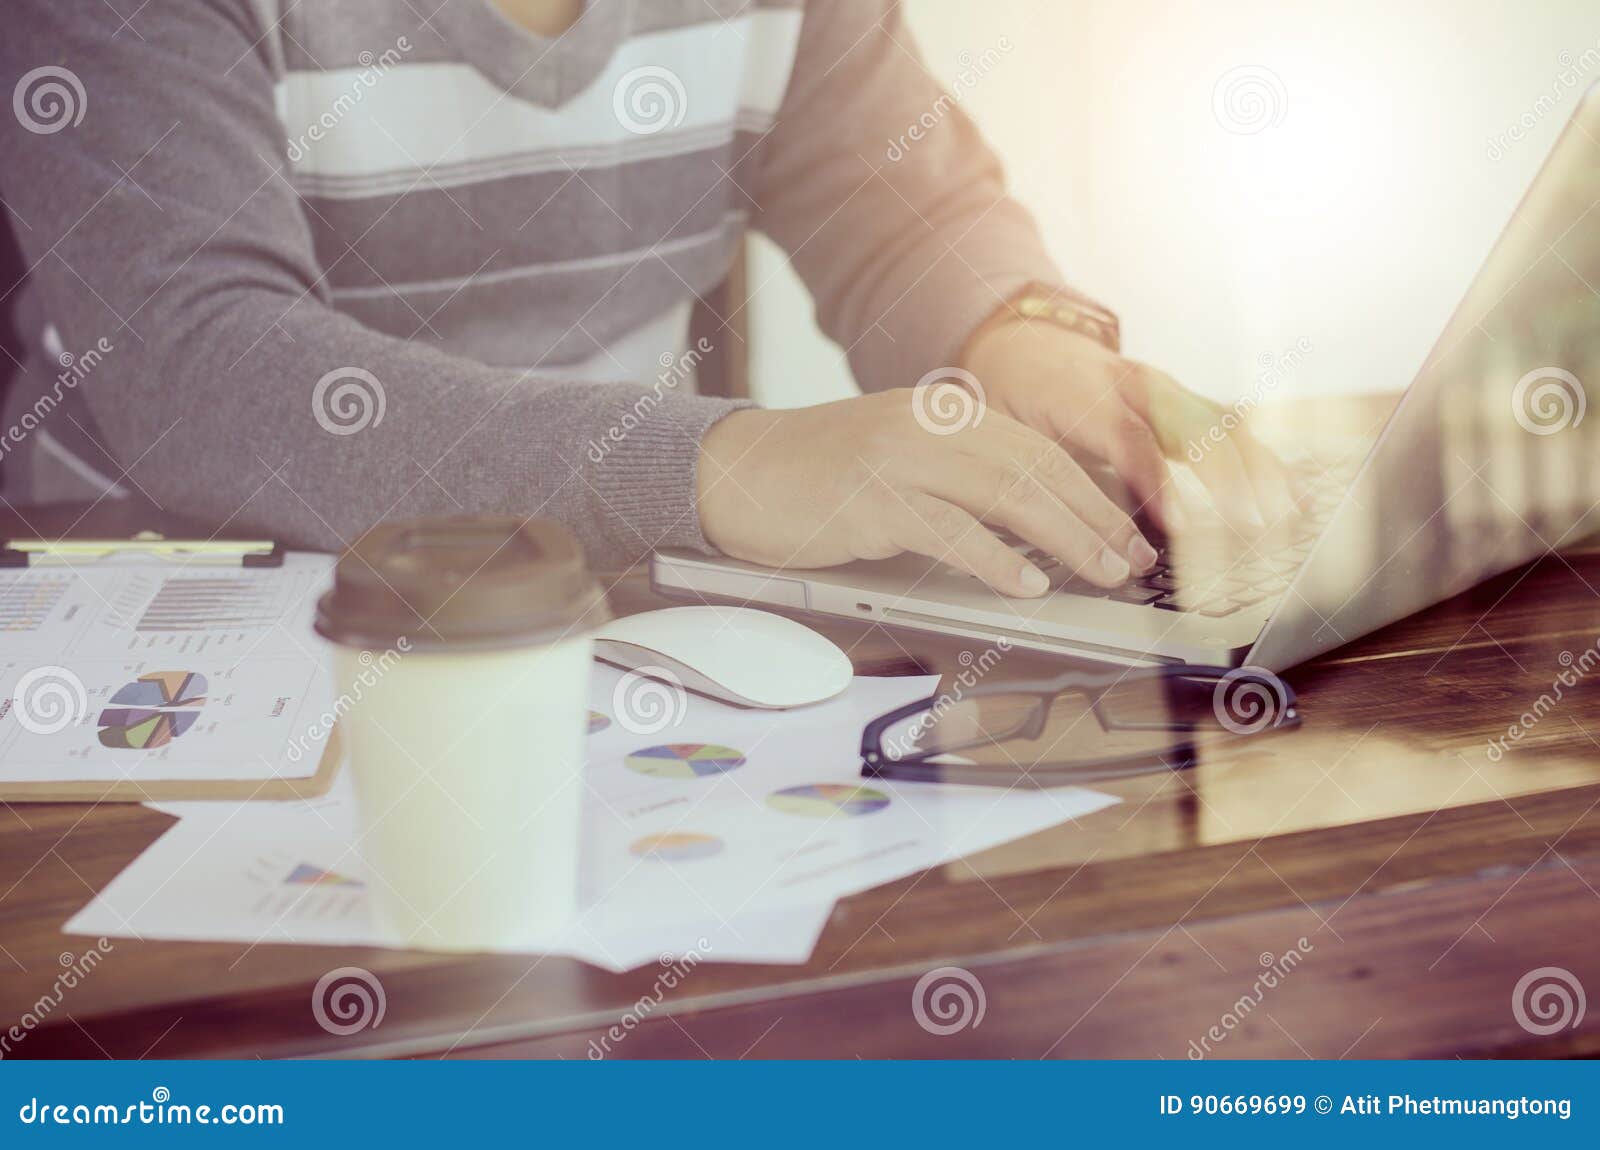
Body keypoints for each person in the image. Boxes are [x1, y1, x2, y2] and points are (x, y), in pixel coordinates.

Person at [0, 0, 1290, 596]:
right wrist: (720, 465)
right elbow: (202, 372)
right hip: (161, 615)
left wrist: (1022, 338)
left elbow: (910, 217)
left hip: (592, 599)